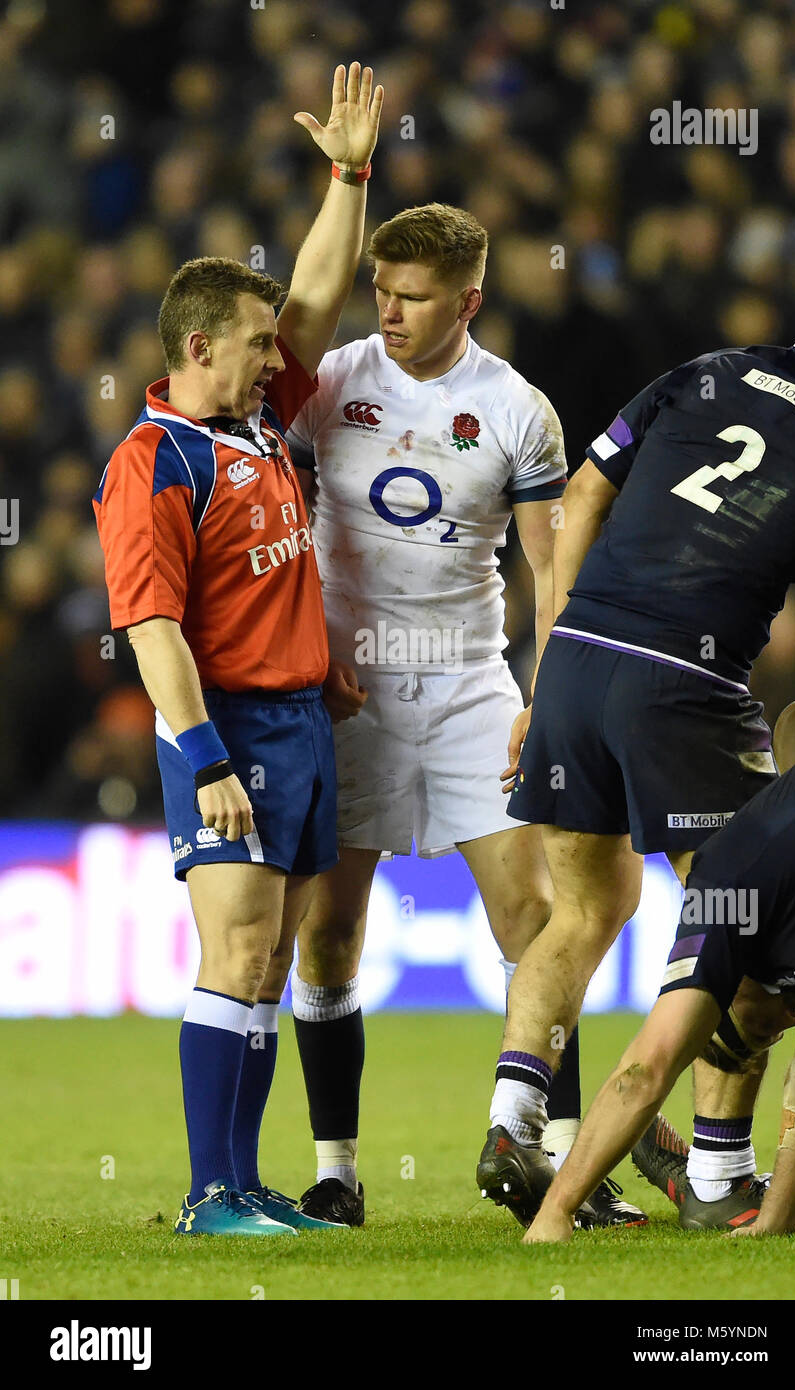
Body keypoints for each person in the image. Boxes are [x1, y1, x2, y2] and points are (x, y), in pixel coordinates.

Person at [271, 201, 646, 1229]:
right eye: (380, 290)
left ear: (466, 301)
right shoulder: (331, 384)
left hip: (470, 681)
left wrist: (545, 694)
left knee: (530, 919)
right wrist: (306, 654)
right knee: (331, 932)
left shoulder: (517, 409)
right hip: (346, 686)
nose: (387, 310)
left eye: (412, 295)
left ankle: (561, 1160)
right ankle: (336, 1173)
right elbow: (272, 514)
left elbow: (546, 568)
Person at [93, 64, 382, 1237]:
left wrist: (349, 176)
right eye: (259, 346)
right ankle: (211, 1194)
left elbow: (311, 294)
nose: (282, 358)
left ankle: (249, 1182)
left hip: (302, 719)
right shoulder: (152, 460)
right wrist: (204, 753)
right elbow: (153, 624)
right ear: (201, 345)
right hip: (230, 730)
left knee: (270, 965)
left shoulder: (251, 425)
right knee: (242, 945)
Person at [475, 333, 795, 1231]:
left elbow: (581, 494)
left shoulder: (710, 370)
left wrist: (551, 662)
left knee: (583, 912)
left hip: (579, 660)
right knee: (745, 925)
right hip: (684, 685)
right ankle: (716, 1175)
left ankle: (516, 1121)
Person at [522, 708, 795, 1243]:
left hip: (738, 864)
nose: (786, 1024)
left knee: (666, 1043)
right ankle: (722, 1182)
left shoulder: (727, 888)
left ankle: (561, 1213)